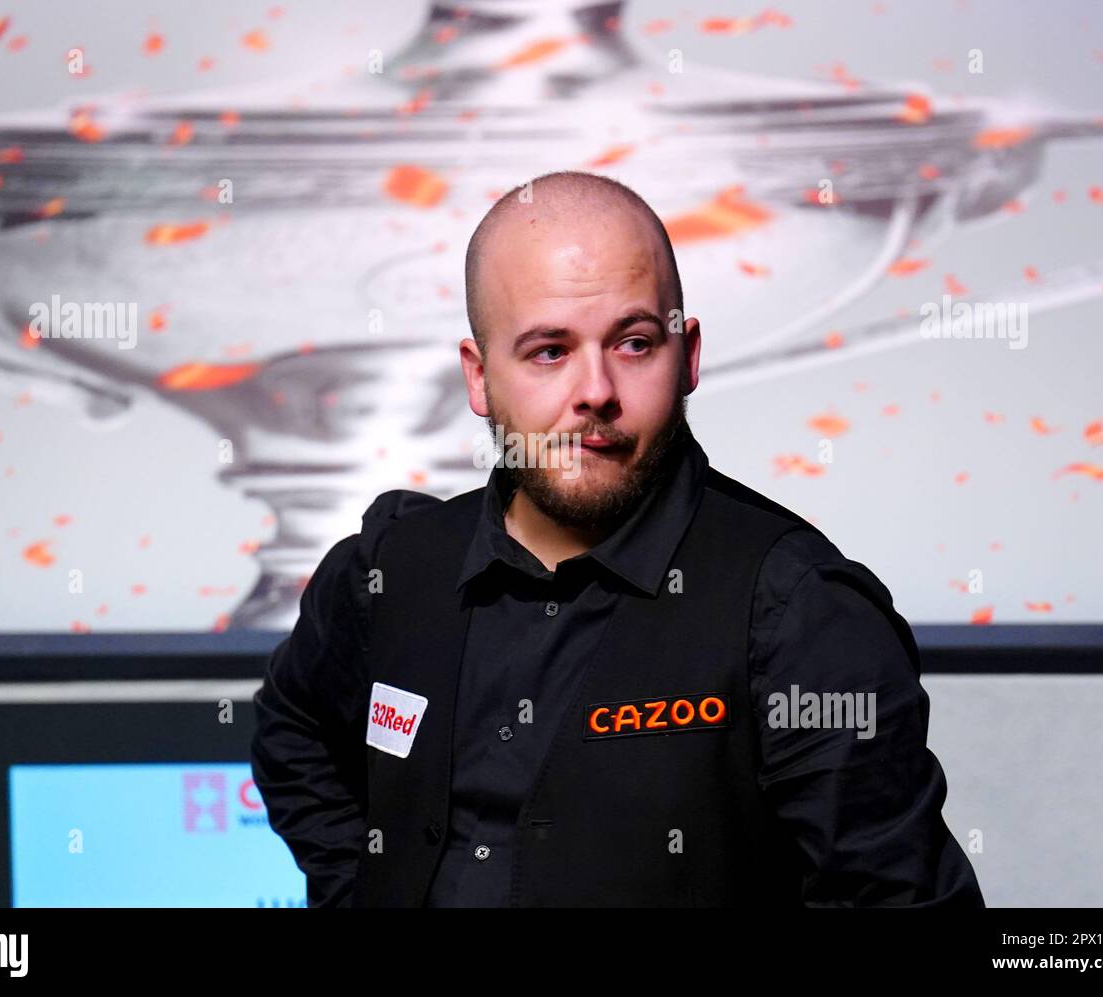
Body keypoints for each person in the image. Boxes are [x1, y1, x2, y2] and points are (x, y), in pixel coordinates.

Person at [250, 170, 984, 908]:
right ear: (479, 377)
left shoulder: (801, 614)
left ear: (687, 355)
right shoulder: (391, 570)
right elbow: (293, 729)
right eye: (548, 351)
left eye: (634, 343)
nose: (595, 390)